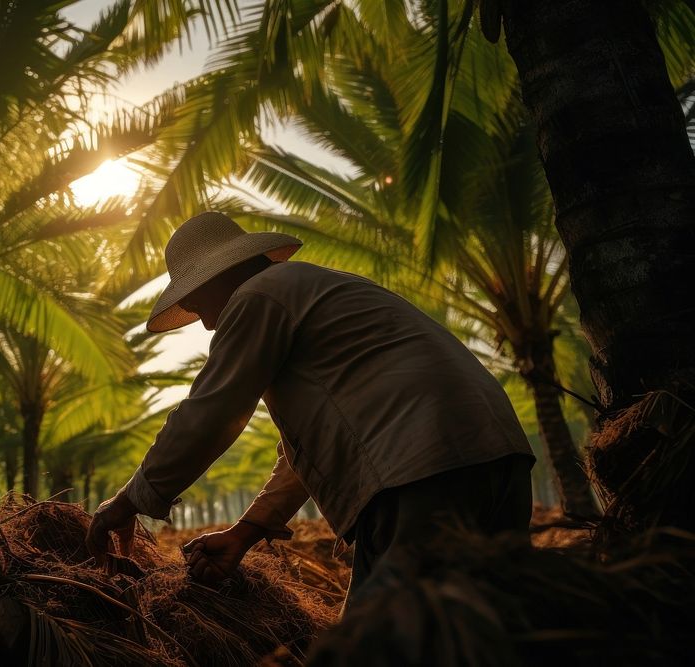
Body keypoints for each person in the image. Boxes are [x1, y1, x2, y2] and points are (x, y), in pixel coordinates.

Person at [85, 211, 535, 610]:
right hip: (497, 458)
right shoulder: (317, 288)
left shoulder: (257, 296)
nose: (206, 323)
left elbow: (210, 412)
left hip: (420, 476)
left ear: (219, 277)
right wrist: (246, 531)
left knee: (382, 648)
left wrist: (129, 502)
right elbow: (309, 454)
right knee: (487, 629)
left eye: (201, 305)